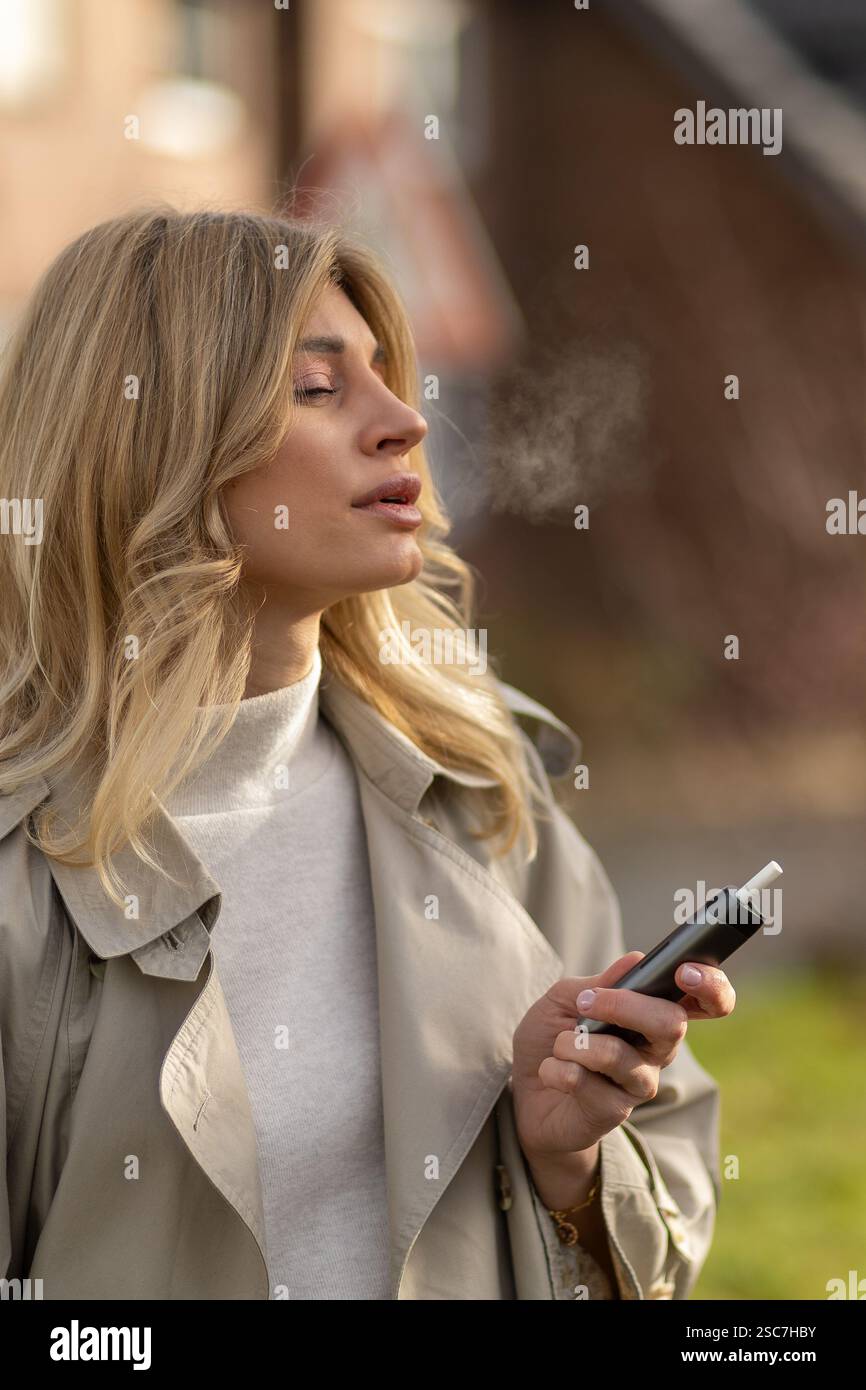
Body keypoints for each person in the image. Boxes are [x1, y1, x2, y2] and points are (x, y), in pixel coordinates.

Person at [0, 206, 730, 1301]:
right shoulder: (23, 863)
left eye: (388, 377)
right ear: (155, 441)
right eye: (317, 387)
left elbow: (657, 1238)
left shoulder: (480, 782)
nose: (404, 423)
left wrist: (566, 1161)